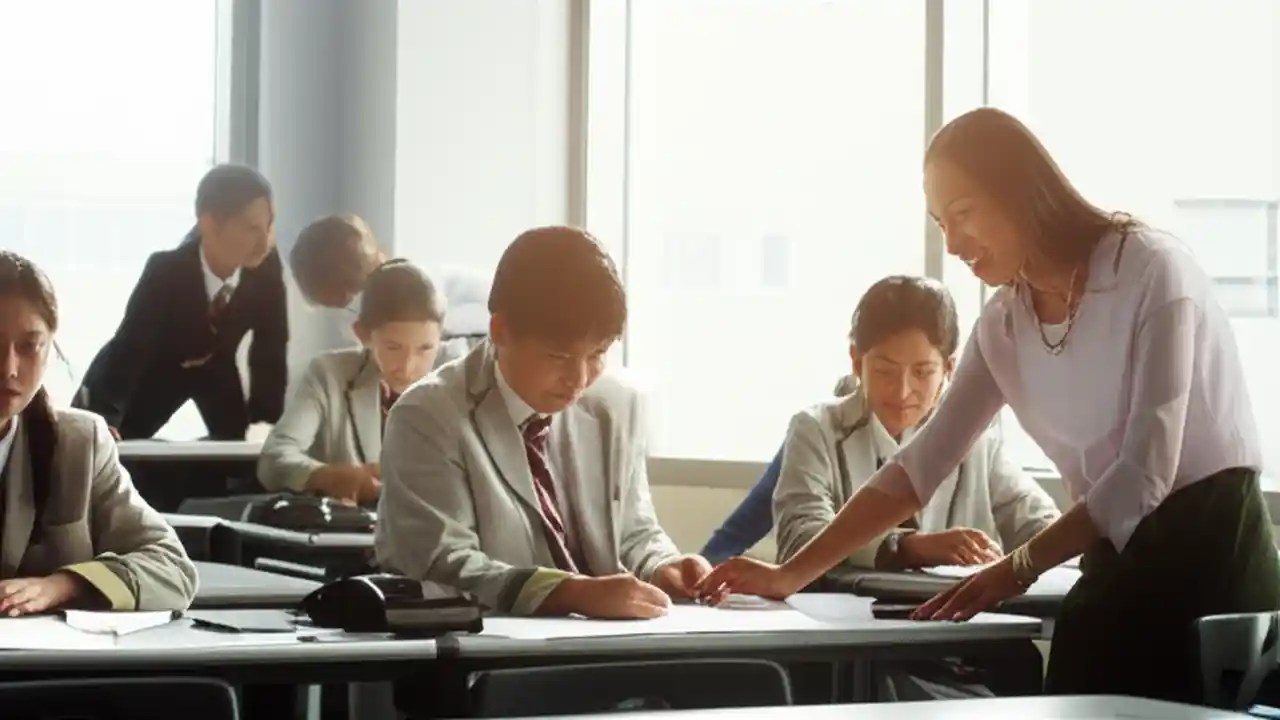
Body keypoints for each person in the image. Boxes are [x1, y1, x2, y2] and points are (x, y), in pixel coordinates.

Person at [699, 107, 1280, 702]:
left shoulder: (1151, 268)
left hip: (1215, 560)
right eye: (939, 224)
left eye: (962, 215)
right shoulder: (1005, 325)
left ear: (1019, 193)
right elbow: (916, 467)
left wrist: (1013, 568)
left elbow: (1142, 475)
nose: (951, 245)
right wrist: (788, 574)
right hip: (1115, 564)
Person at [375, 226, 711, 618]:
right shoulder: (427, 415)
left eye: (597, 354)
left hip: (604, 647)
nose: (580, 379)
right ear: (500, 332)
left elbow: (634, 532)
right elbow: (442, 563)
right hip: (486, 658)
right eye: (558, 357)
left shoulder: (616, 404)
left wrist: (662, 565)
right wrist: (569, 593)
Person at [774, 275, 1058, 579]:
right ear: (856, 363)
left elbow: (1039, 522)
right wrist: (907, 547)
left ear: (949, 369)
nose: (902, 392)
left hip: (957, 622)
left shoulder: (975, 439)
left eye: (922, 372)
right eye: (885, 371)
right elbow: (800, 541)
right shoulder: (816, 430)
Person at [0, 251, 196, 614]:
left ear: (50, 348)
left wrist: (64, 585)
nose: (9, 369)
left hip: (49, 668)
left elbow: (173, 569)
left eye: (29, 346)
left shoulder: (79, 443)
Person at [75, 164, 287, 440]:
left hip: (217, 367)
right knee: (112, 450)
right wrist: (106, 417)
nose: (265, 241)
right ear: (209, 224)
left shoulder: (266, 270)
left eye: (268, 226)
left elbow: (270, 352)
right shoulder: (165, 272)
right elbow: (129, 349)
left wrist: (266, 423)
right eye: (251, 228)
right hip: (154, 370)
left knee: (243, 455)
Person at [257, 260, 468, 502]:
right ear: (363, 335)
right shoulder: (329, 375)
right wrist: (330, 477)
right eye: (393, 347)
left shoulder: (458, 376)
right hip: (354, 533)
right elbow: (273, 460)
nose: (408, 367)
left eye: (425, 348)